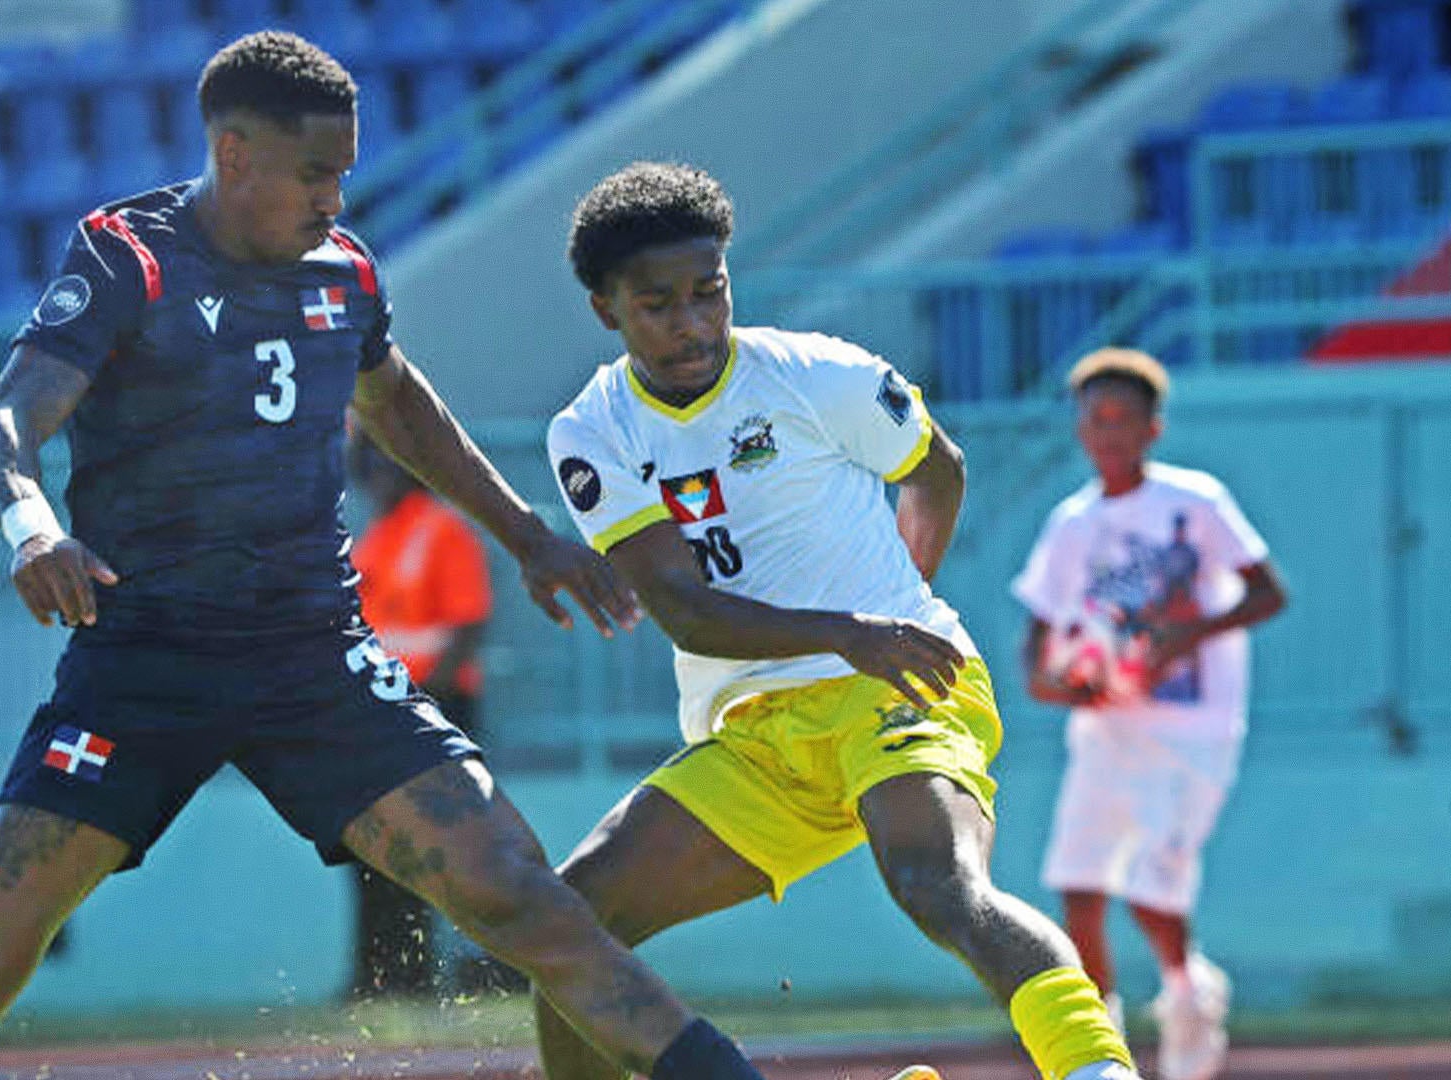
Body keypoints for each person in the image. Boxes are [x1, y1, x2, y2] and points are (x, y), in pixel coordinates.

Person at [0, 35, 863, 1080]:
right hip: (140, 666)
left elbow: (393, 400)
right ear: (235, 153)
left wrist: (526, 534)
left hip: (313, 656)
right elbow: (4, 425)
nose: (336, 197)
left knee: (529, 899)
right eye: (315, 173)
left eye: (345, 171)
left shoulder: (343, 274)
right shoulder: (132, 258)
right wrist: (33, 528)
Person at [539, 161, 1139, 1080]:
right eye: (659, 304)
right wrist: (848, 627)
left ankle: (1099, 1070)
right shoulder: (594, 431)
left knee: (937, 886)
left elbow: (938, 469)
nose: (694, 323)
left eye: (711, 292)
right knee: (568, 923)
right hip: (756, 735)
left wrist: (896, 610)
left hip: (892, 691)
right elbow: (686, 613)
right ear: (603, 309)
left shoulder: (819, 376)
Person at [1012, 348, 1287, 1080]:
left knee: (1151, 894)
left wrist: (1184, 635)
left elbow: (1269, 593)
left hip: (1194, 730)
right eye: (1091, 418)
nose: (1104, 432)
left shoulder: (1194, 504)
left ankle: (1187, 992)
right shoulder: (1070, 526)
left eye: (1119, 418)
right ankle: (1101, 1053)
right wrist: (1059, 684)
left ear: (1152, 429)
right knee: (1078, 885)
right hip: (1107, 728)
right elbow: (1037, 640)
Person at [343, 425, 508, 998]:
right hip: (382, 714)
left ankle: (491, 969)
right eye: (370, 463)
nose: (376, 475)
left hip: (434, 711)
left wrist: (421, 705)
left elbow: (467, 625)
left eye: (386, 462)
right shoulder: (377, 538)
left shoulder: (442, 529)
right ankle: (385, 977)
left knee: (456, 845)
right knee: (380, 849)